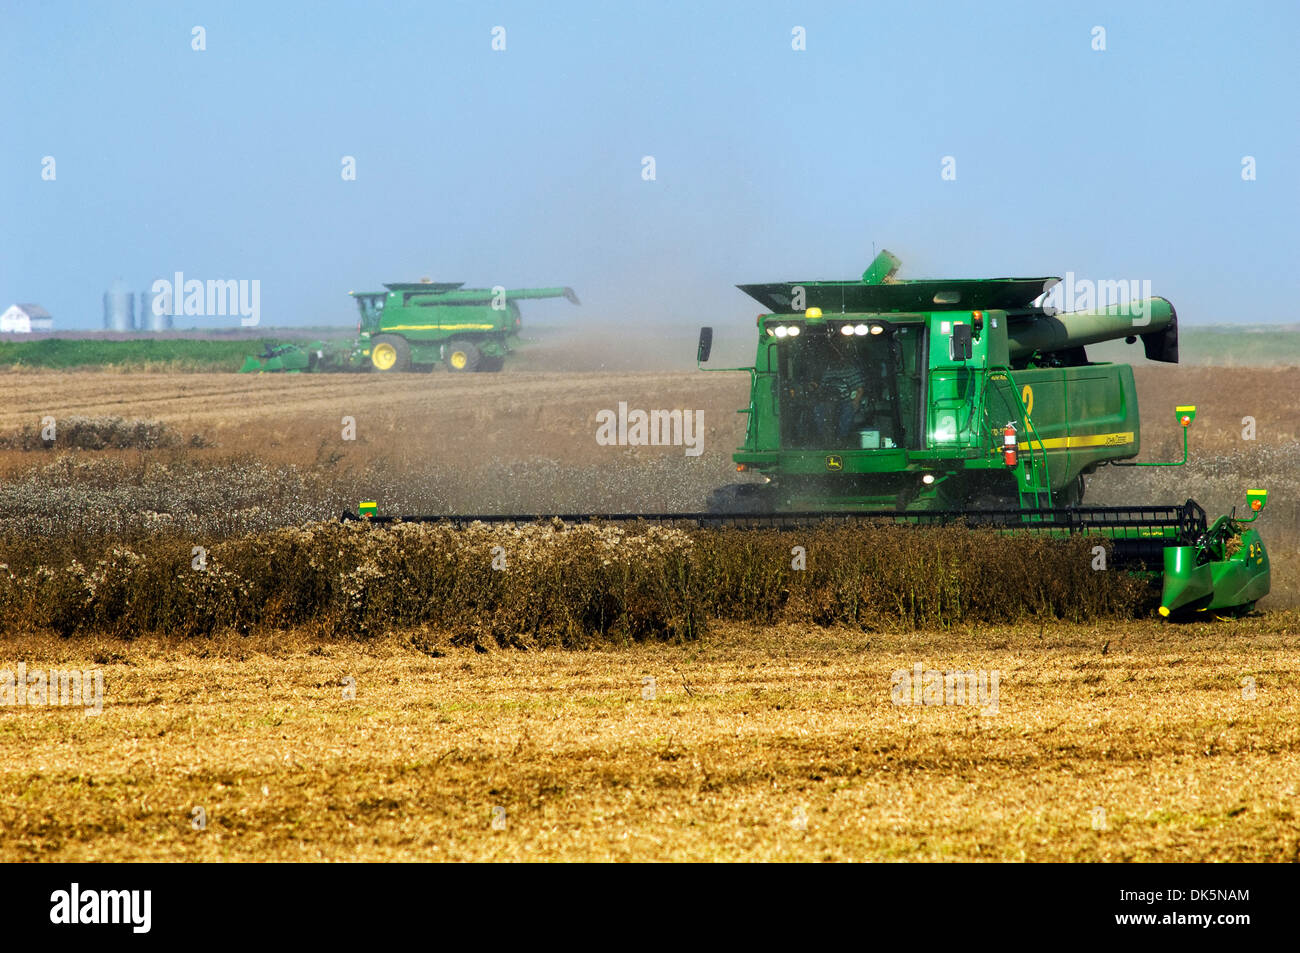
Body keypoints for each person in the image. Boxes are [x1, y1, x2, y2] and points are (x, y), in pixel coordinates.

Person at [813, 344, 867, 444]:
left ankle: (841, 439)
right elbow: (822, 389)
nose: (836, 360)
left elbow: (860, 389)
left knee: (847, 410)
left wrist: (855, 403)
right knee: (818, 409)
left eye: (838, 357)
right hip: (829, 402)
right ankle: (824, 438)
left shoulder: (850, 371)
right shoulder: (828, 372)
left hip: (845, 401)